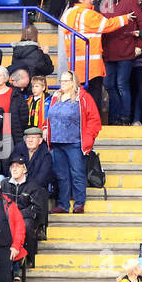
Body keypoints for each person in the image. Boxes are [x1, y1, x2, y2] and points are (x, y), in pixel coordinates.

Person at [62, 0, 133, 112]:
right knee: (93, 100)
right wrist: (125, 18)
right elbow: (108, 25)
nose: (92, 0)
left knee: (78, 99)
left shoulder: (67, 14)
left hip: (74, 66)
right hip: (91, 67)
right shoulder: (88, 14)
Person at [42, 70, 102, 215]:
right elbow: (49, 117)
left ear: (73, 81)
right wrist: (45, 128)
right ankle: (63, 204)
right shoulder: (56, 97)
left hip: (75, 142)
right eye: (61, 81)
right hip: (57, 142)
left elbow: (94, 120)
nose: (62, 84)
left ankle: (79, 203)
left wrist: (88, 138)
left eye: (65, 81)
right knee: (61, 174)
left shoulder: (83, 97)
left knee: (77, 173)